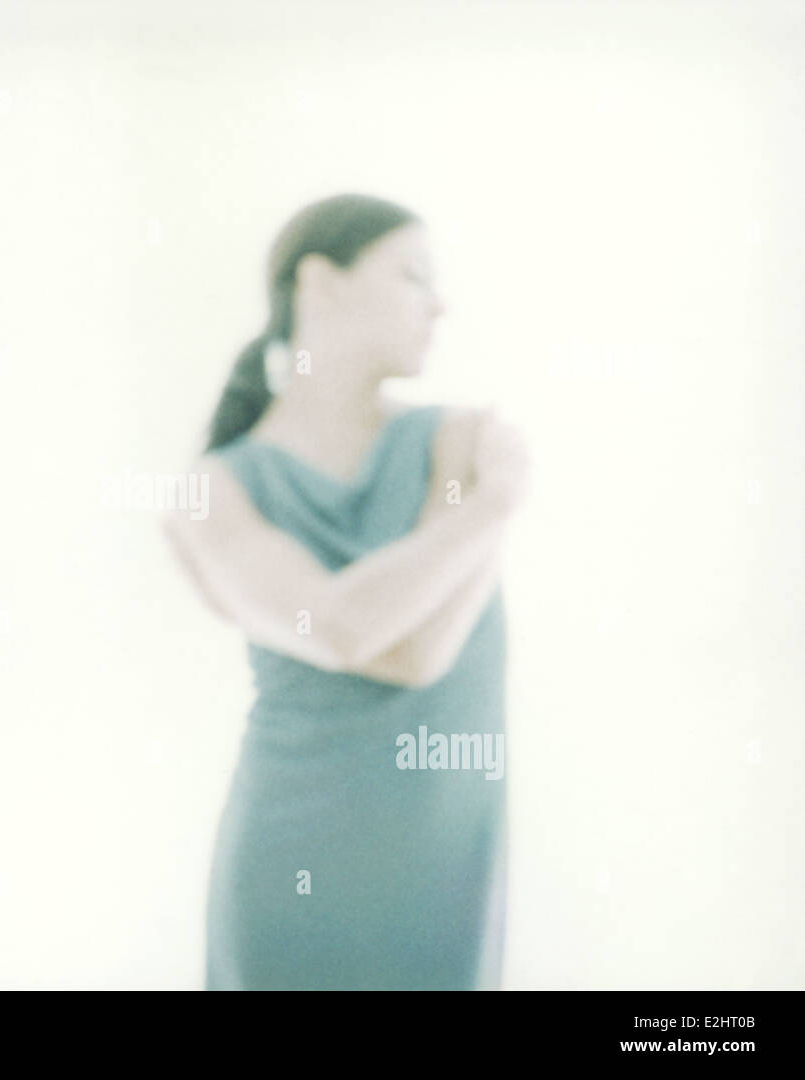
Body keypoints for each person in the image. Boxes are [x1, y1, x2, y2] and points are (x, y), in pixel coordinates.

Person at [160, 193, 530, 990]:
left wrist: (476, 507)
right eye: (413, 275)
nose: (440, 303)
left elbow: (420, 644)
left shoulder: (455, 440)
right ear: (321, 283)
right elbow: (343, 633)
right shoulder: (211, 489)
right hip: (292, 862)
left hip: (440, 872)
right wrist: (494, 506)